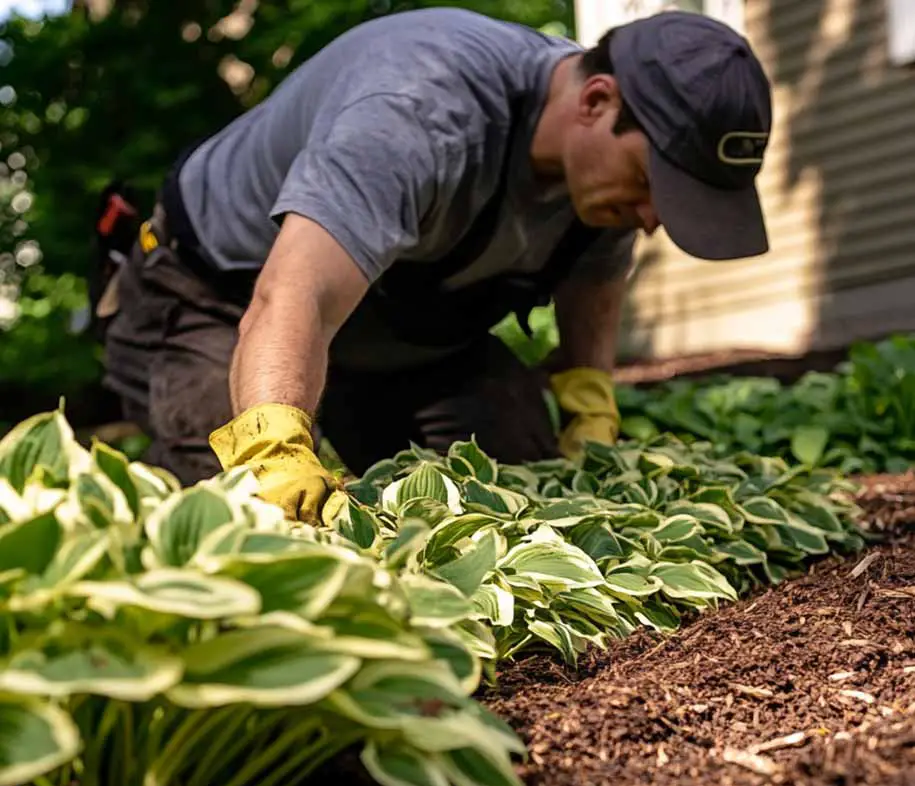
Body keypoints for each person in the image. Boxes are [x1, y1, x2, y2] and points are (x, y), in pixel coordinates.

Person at [95, 5, 772, 525]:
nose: (654, 219)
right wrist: (272, 449)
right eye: (653, 186)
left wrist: (587, 400)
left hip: (397, 319)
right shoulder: (418, 111)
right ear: (594, 102)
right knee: (242, 515)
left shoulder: (602, 178)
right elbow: (292, 298)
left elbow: (593, 276)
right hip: (218, 297)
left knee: (521, 489)